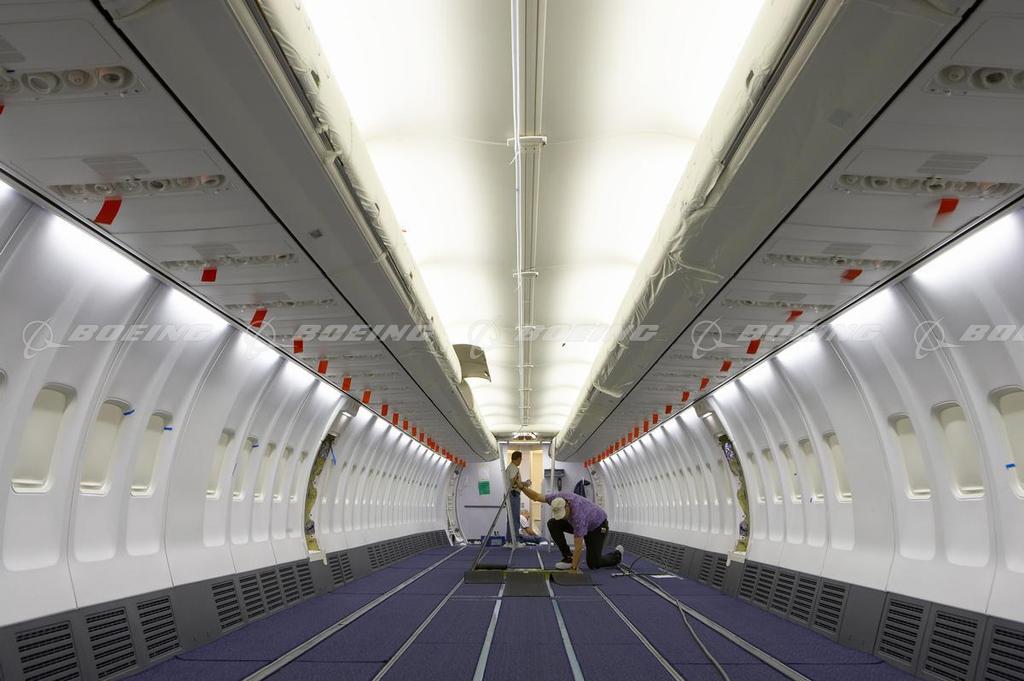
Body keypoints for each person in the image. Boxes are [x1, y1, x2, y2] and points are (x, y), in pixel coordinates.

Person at [518, 484, 623, 571]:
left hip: (598, 527)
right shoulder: (556, 499)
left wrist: (573, 568)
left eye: (564, 514)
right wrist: (522, 487)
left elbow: (578, 547)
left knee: (594, 563)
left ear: (567, 505)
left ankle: (617, 555)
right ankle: (568, 557)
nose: (563, 517)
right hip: (585, 522)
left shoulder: (578, 515)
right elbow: (536, 496)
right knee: (553, 523)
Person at [504, 451, 530, 542]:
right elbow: (513, 482)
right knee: (515, 519)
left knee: (511, 519)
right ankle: (515, 540)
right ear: (518, 459)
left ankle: (510, 540)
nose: (521, 461)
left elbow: (513, 482)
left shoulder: (509, 468)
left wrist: (522, 484)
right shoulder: (514, 468)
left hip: (510, 495)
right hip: (514, 494)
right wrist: (525, 484)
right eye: (521, 459)